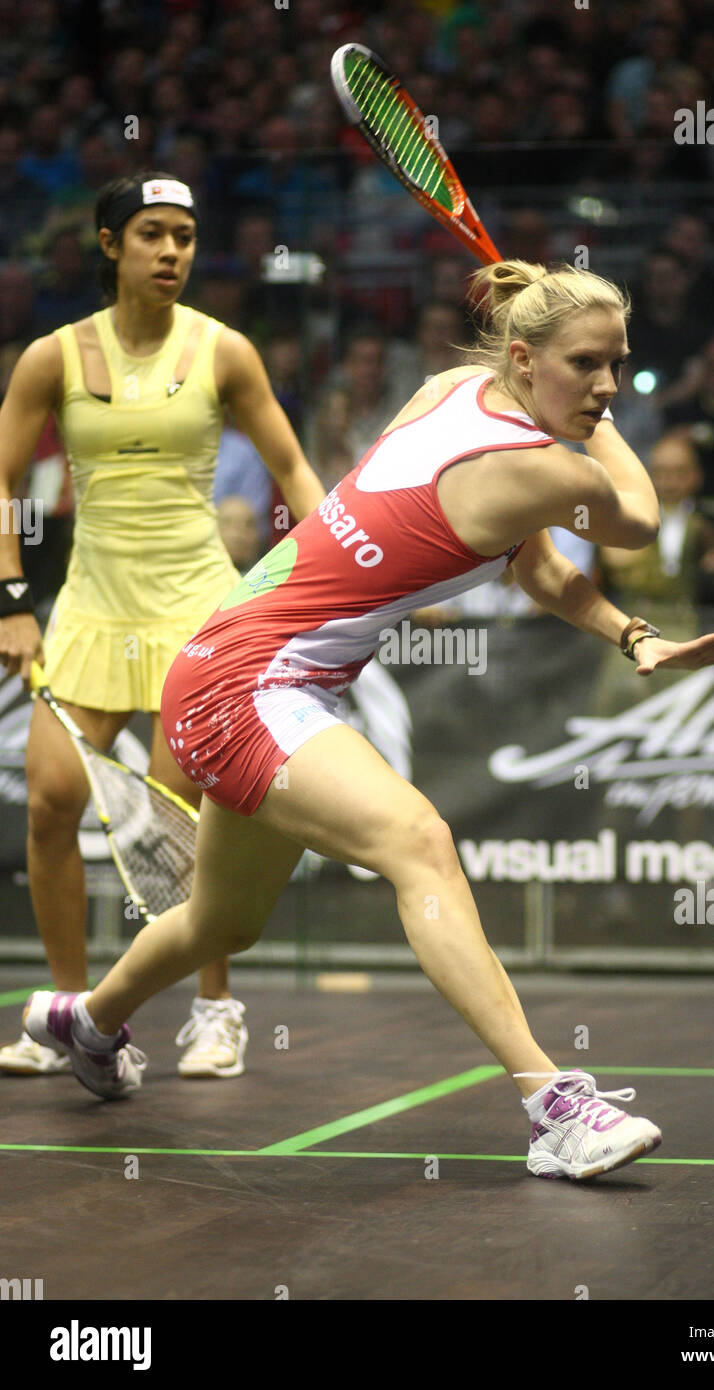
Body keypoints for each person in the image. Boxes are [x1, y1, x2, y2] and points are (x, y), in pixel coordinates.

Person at [23, 260, 714, 1184]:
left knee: (219, 922)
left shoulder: (453, 392)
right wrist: (602, 436)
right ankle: (553, 1105)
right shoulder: (544, 466)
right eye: (588, 364)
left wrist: (627, 631)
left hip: (238, 668)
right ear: (523, 359)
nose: (608, 388)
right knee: (419, 839)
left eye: (619, 365)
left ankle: (83, 1022)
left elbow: (530, 563)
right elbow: (640, 519)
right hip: (250, 681)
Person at [0, 171, 324, 1079]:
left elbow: (295, 471)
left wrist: (325, 576)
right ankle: (64, 1015)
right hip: (92, 607)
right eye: (152, 234)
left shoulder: (225, 352)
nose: (172, 251)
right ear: (110, 246)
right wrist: (9, 599)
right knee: (52, 801)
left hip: (196, 609)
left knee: (178, 823)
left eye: (184, 235)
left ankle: (215, 1011)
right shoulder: (50, 357)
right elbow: (3, 481)